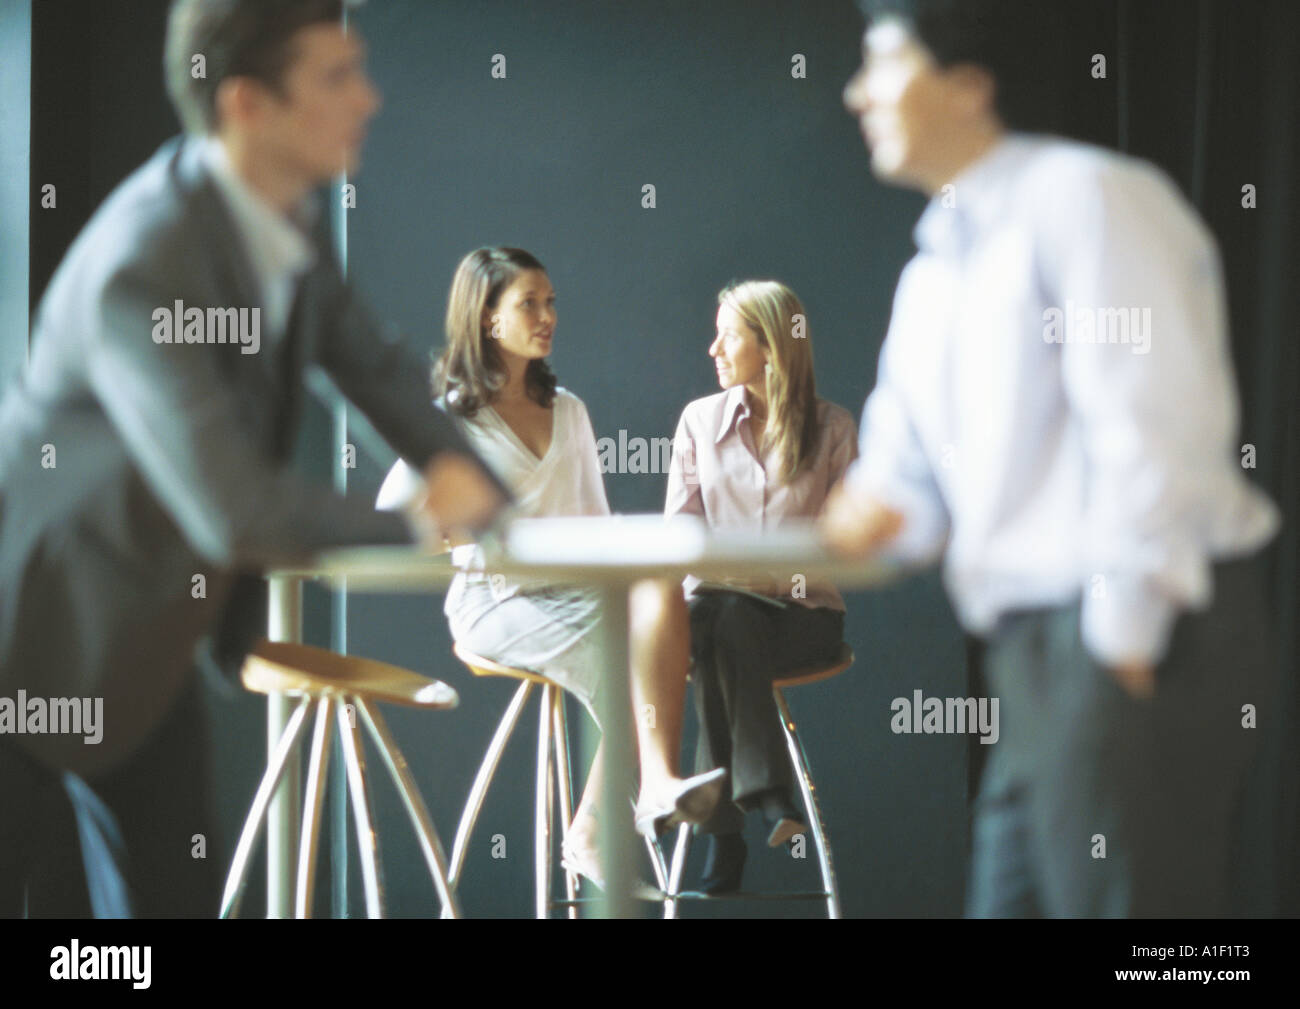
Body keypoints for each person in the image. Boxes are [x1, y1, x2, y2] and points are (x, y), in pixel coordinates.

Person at [0, 0, 508, 917]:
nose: (370, 99)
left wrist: (491, 499)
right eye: (336, 78)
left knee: (164, 910)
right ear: (245, 104)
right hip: (26, 636)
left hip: (139, 633)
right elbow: (233, 507)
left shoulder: (284, 222)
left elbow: (379, 368)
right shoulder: (143, 261)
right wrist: (415, 522)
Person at [823, 0, 1281, 916]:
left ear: (968, 85)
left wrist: (1122, 647)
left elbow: (1153, 434)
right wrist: (864, 511)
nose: (855, 94)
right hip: (1031, 652)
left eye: (882, 64)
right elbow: (904, 487)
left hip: (1139, 617)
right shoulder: (934, 266)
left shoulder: (1086, 196)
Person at [378, 247, 725, 891]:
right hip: (493, 600)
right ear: (487, 319)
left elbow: (594, 525)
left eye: (551, 302)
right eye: (528, 303)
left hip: (574, 592)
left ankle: (629, 800)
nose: (547, 316)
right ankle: (630, 802)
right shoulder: (453, 419)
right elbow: (391, 520)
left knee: (664, 595)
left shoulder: (569, 410)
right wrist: (448, 529)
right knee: (624, 644)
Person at [663, 280, 858, 893]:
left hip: (804, 619)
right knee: (724, 617)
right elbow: (681, 537)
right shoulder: (699, 420)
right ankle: (769, 793)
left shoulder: (832, 429)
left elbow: (844, 545)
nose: (712, 347)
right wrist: (734, 578)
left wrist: (761, 575)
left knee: (725, 624)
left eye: (728, 335)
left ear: (771, 347)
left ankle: (724, 834)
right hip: (720, 615)